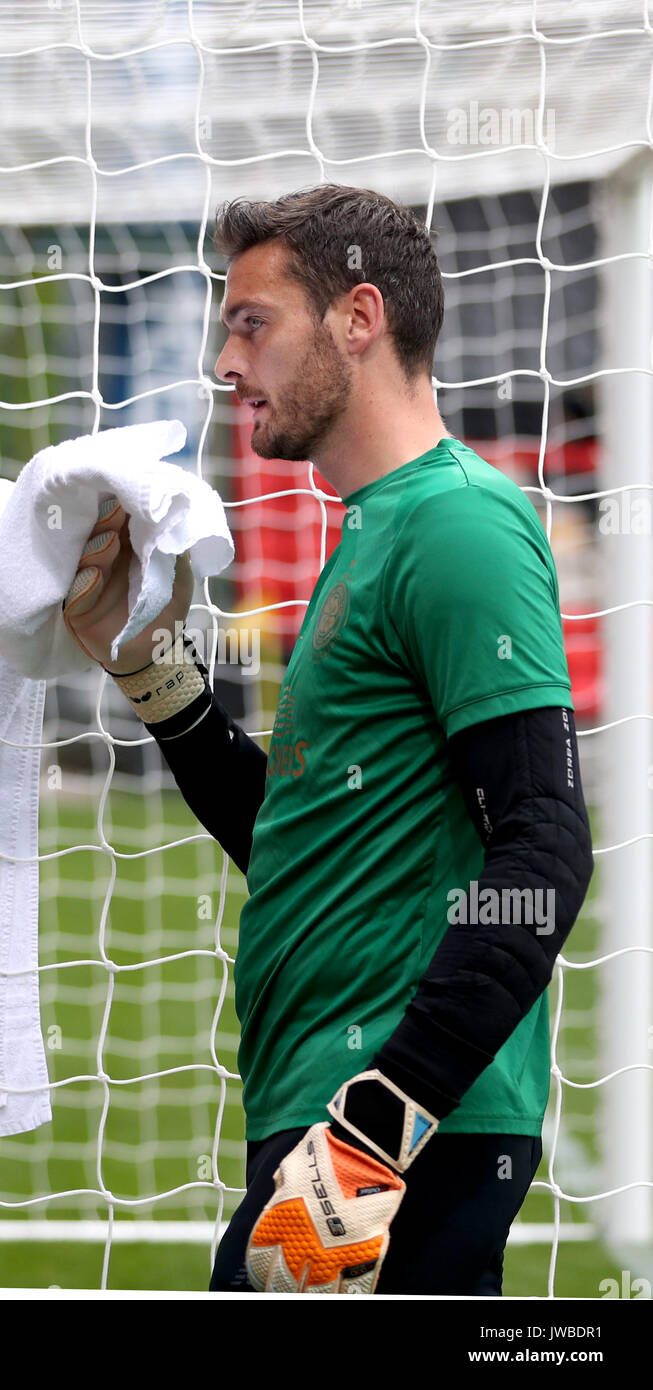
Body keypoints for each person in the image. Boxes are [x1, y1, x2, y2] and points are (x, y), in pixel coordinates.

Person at [62, 184, 594, 1295]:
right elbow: (301, 842)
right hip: (343, 1128)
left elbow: (542, 853)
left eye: (250, 322)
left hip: (396, 1142)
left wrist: (373, 1133)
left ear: (358, 319)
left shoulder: (458, 524)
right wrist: (147, 667)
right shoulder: (369, 535)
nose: (223, 359)